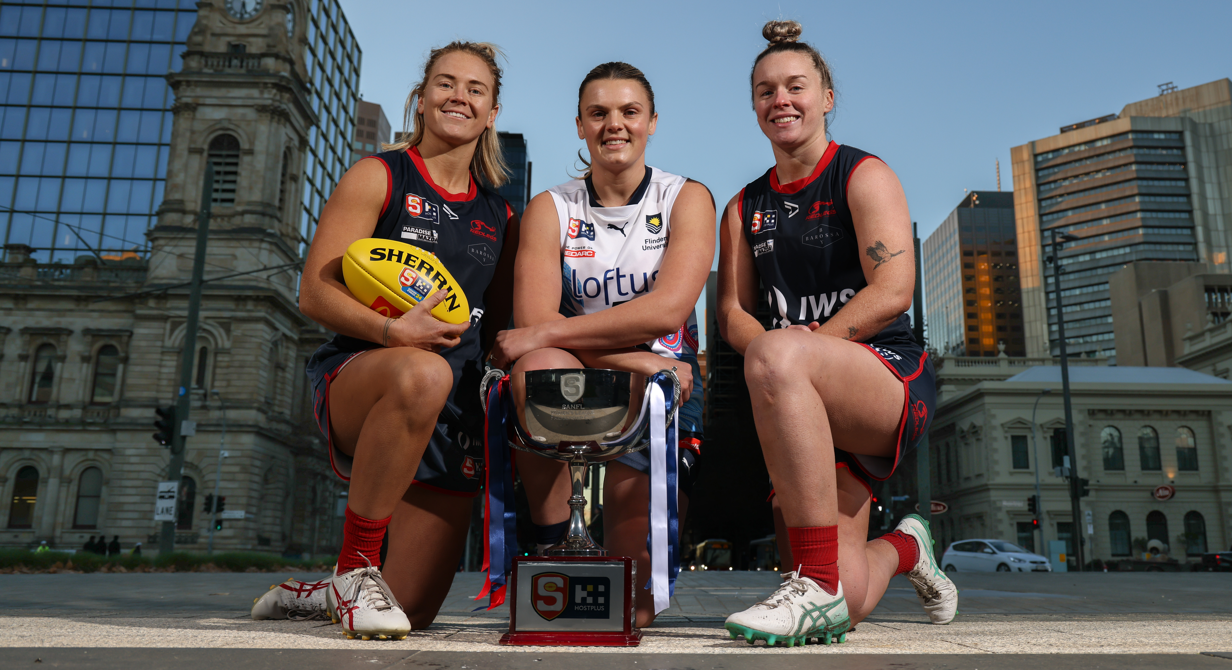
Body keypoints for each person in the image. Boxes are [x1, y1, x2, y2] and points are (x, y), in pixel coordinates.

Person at [717, 21, 956, 647]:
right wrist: (779, 354)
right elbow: (734, 315)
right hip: (801, 393)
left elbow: (893, 290)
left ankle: (813, 586)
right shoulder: (743, 207)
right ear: (754, 106)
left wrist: (805, 345)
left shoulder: (862, 174)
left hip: (882, 375)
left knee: (779, 350)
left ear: (827, 97)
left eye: (797, 86)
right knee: (848, 604)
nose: (781, 101)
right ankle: (905, 547)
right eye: (766, 91)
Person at [296, 40, 517, 640]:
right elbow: (315, 294)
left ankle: (315, 596)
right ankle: (353, 568)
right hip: (367, 379)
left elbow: (498, 332)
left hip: (452, 413)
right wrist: (396, 332)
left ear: (493, 112)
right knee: (422, 371)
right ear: (421, 99)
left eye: (476, 89)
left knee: (408, 613)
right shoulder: (378, 176)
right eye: (445, 83)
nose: (459, 97)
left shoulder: (500, 217)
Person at [490, 62, 715, 627]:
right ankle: (549, 542)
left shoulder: (687, 198)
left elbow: (666, 311)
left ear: (652, 123)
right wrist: (628, 352)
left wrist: (550, 333)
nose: (614, 124)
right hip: (591, 369)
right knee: (536, 364)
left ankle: (609, 543)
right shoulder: (550, 207)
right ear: (580, 125)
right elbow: (534, 327)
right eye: (599, 113)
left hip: (660, 390)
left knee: (632, 607)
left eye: (629, 112)